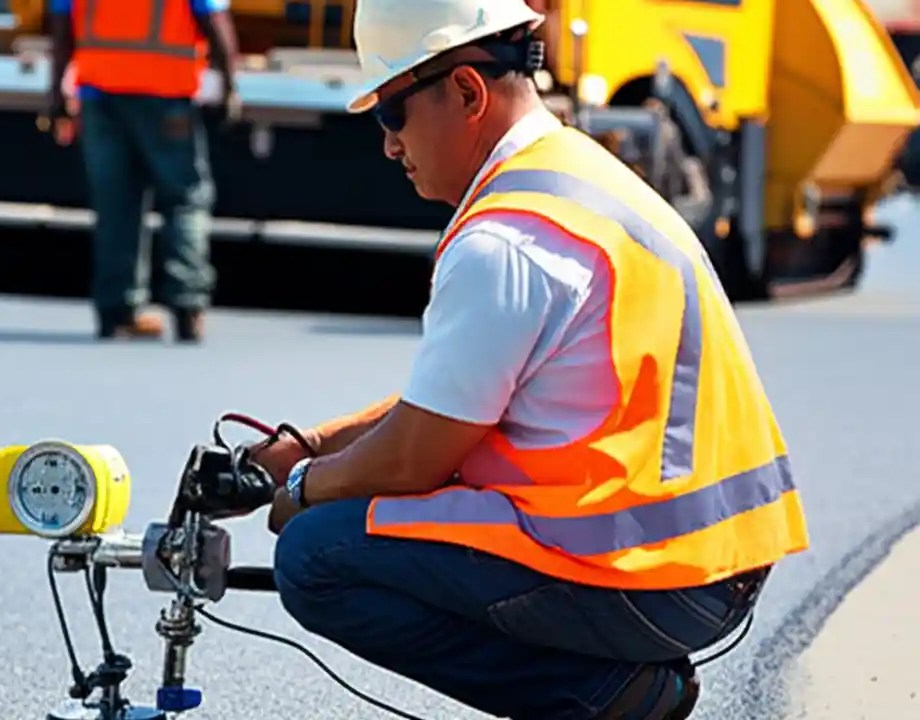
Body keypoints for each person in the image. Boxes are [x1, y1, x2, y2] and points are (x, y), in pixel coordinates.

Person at [248, 1, 811, 718]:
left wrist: (304, 484)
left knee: (316, 555)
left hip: (656, 581)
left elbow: (415, 457)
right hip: (713, 560)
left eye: (391, 113)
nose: (389, 145)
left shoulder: (504, 241)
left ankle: (612, 696)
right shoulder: (575, 177)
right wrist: (311, 444)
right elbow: (454, 399)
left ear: (466, 92)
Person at [47, 0, 240, 342]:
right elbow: (213, 19)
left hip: (100, 96)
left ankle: (115, 311)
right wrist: (229, 86)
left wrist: (55, 93)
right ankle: (187, 307)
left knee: (116, 204)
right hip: (166, 95)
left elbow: (62, 30)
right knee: (184, 200)